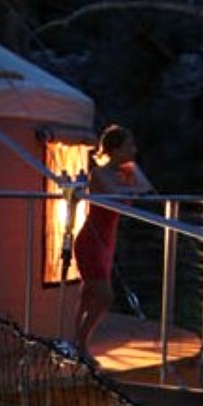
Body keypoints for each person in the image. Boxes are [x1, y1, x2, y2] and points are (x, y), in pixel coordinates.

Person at [71, 124, 154, 362]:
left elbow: (145, 189)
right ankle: (82, 343)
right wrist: (130, 180)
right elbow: (120, 197)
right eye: (129, 145)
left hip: (107, 241)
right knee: (104, 296)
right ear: (115, 149)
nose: (134, 150)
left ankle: (76, 342)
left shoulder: (123, 172)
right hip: (92, 240)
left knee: (89, 293)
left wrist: (131, 168)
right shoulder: (98, 174)